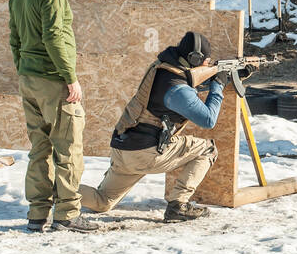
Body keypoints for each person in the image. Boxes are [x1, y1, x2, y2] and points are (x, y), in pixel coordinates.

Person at [80, 32, 231, 222]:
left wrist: (222, 77)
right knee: (207, 149)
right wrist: (218, 85)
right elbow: (208, 120)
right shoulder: (177, 88)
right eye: (206, 62)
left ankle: (57, 191)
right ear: (195, 59)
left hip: (123, 148)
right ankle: (178, 205)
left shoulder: (163, 69)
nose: (208, 66)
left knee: (103, 201)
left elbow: (186, 88)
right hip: (145, 153)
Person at [10, 0, 97, 233]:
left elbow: (14, 40)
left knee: (39, 148)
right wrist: (69, 77)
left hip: (29, 79)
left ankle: (37, 214)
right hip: (53, 79)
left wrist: (24, 69)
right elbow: (54, 37)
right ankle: (67, 214)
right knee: (69, 148)